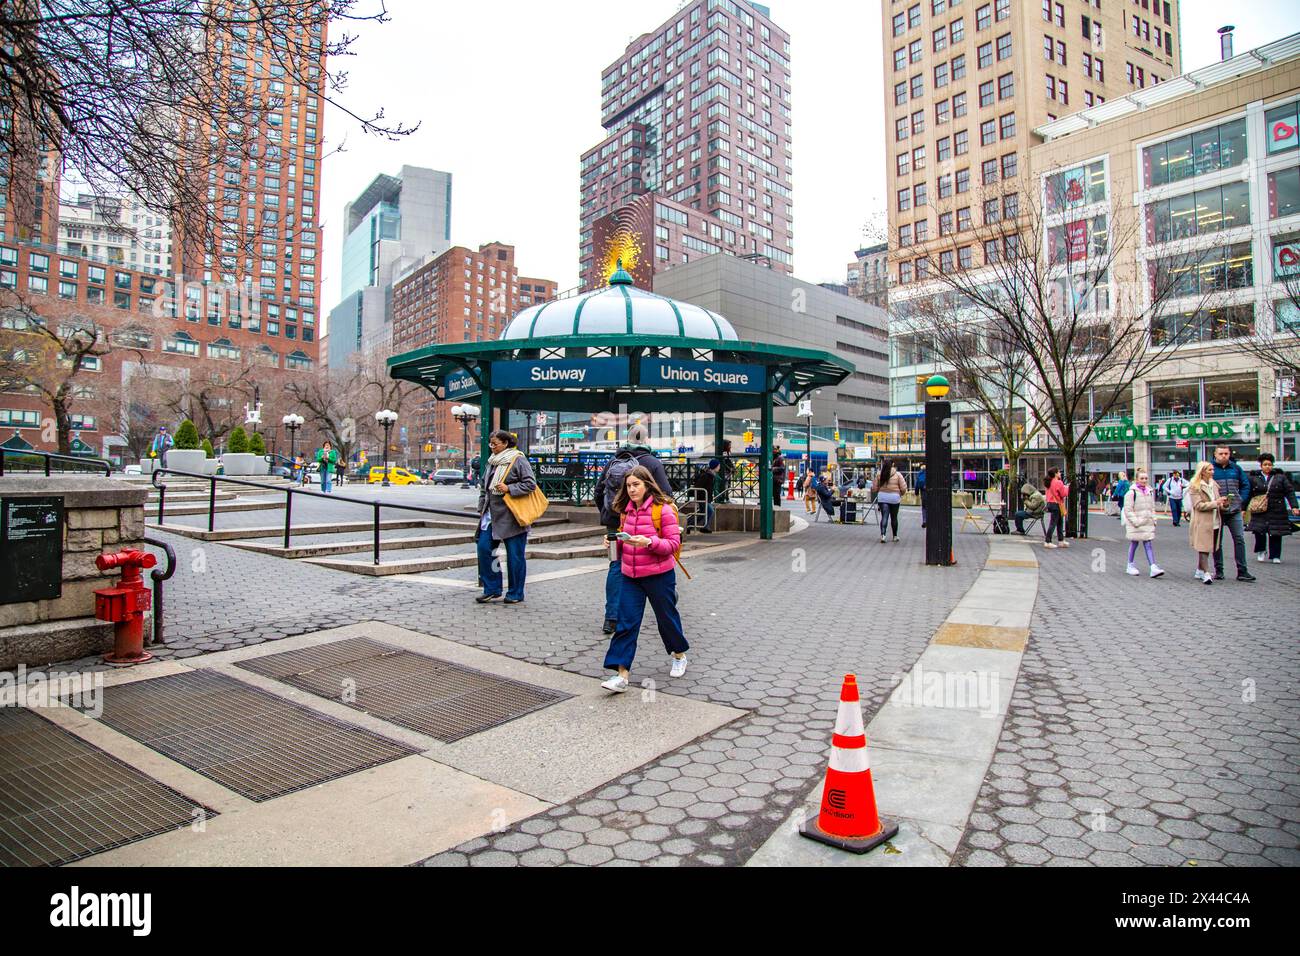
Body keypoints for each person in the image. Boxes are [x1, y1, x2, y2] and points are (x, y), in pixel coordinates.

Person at [601, 467, 689, 693]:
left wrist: (649, 542)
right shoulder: (627, 511)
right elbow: (626, 538)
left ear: (647, 485)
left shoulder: (663, 510)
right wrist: (616, 541)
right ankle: (621, 675)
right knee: (626, 623)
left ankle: (679, 655)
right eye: (628, 486)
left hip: (659, 576)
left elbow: (673, 544)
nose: (631, 490)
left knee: (666, 619)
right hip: (631, 575)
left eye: (636, 485)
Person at [595, 431, 673, 634]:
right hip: (645, 521)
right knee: (651, 562)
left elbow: (598, 491)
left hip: (615, 520)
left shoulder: (614, 460)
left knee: (616, 565)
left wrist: (610, 513)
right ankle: (660, 607)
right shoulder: (652, 462)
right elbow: (666, 493)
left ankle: (611, 618)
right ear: (646, 440)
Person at [474, 429, 538, 605]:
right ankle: (492, 588)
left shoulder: (518, 459)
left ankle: (516, 592)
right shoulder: (491, 462)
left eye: (495, 444)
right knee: (484, 549)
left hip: (512, 516)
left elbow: (530, 484)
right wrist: (481, 507)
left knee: (515, 556)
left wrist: (509, 488)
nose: (492, 447)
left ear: (506, 443)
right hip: (490, 515)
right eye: (491, 443)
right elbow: (484, 488)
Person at [1211, 445, 1256, 582]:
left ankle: (1242, 571)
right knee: (1216, 542)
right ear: (1215, 454)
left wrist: (1240, 499)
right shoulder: (1210, 469)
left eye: (1226, 453)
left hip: (1234, 510)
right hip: (1217, 510)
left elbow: (1245, 485)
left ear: (1229, 454)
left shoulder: (1236, 468)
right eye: (1221, 453)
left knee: (1239, 539)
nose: (1224, 456)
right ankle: (1219, 571)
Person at [1248, 453, 1299, 564]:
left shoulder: (1280, 477)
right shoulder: (1253, 478)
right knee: (1259, 531)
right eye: (1265, 464)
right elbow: (1248, 493)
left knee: (1276, 532)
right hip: (1260, 510)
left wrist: (1294, 506)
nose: (1268, 467)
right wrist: (1243, 508)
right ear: (1261, 466)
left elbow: (1289, 492)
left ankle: (1275, 555)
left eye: (1270, 464)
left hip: (1277, 509)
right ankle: (1261, 551)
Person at [1122, 469, 1164, 578]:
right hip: (1136, 523)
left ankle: (1153, 566)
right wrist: (1136, 522)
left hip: (1147, 522)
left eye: (1146, 478)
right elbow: (1128, 510)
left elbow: (1152, 507)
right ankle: (1130, 564)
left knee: (1148, 543)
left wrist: (1154, 519)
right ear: (1136, 479)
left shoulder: (1149, 491)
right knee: (1134, 543)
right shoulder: (1131, 493)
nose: (1144, 480)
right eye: (1142, 478)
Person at [1188, 460, 1224, 585]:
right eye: (1210, 470)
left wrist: (1224, 503)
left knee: (1209, 547)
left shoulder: (1214, 484)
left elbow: (1218, 501)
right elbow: (1198, 505)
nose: (1212, 472)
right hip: (1202, 521)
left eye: (1213, 469)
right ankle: (1206, 573)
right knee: (1203, 548)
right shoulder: (1194, 486)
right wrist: (1216, 503)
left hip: (1215, 520)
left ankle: (1199, 569)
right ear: (1202, 472)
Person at [874, 458, 907, 543]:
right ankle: (895, 536)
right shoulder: (898, 474)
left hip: (882, 497)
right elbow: (903, 488)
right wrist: (900, 494)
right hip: (894, 498)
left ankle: (883, 535)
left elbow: (874, 488)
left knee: (884, 516)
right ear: (892, 465)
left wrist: (880, 491)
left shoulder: (879, 474)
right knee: (894, 517)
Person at [690, 459, 721, 533]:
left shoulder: (711, 475)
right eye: (719, 466)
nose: (719, 467)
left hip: (706, 498)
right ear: (715, 467)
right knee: (710, 511)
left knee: (702, 513)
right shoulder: (706, 476)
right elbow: (698, 486)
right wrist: (701, 496)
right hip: (703, 498)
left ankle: (688, 525)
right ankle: (704, 527)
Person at [1043, 467, 1069, 549]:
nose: (1060, 473)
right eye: (1059, 472)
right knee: (1054, 523)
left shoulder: (1048, 482)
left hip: (1050, 503)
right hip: (1057, 504)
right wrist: (1067, 487)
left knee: (1059, 522)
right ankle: (1048, 541)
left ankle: (1061, 540)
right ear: (1055, 474)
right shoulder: (1058, 482)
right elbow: (1063, 494)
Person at [916, 463, 927, 529]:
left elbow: (917, 484)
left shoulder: (920, 474)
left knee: (924, 507)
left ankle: (924, 520)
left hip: (923, 492)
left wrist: (916, 492)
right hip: (930, 492)